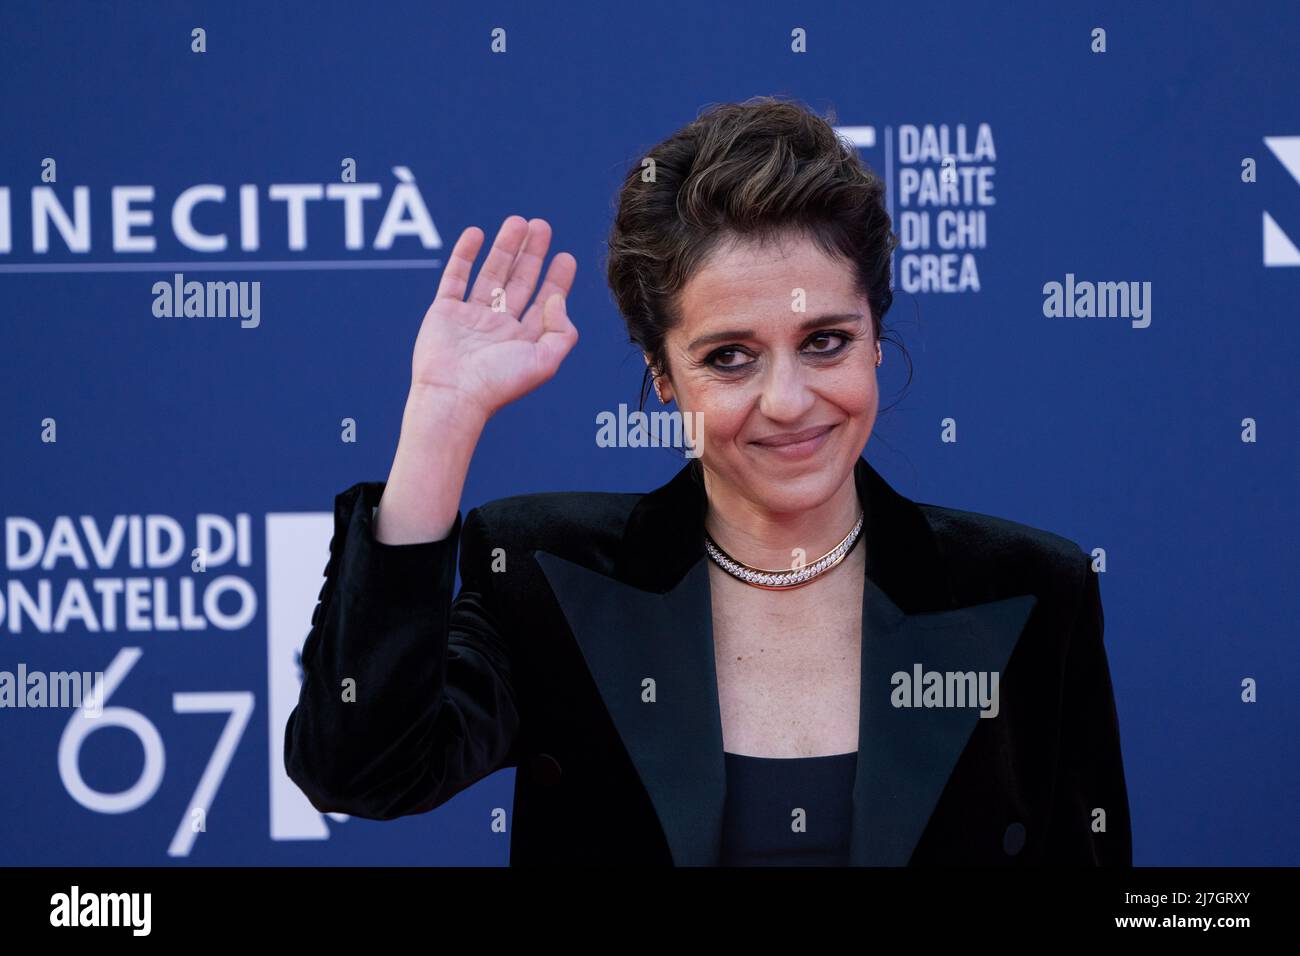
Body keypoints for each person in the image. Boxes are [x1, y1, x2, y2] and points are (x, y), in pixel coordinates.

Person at [284, 96, 1132, 866]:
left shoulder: (1029, 592)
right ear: (662, 375)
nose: (788, 401)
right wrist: (440, 420)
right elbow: (363, 769)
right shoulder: (547, 577)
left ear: (877, 335)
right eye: (730, 357)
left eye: (826, 341)